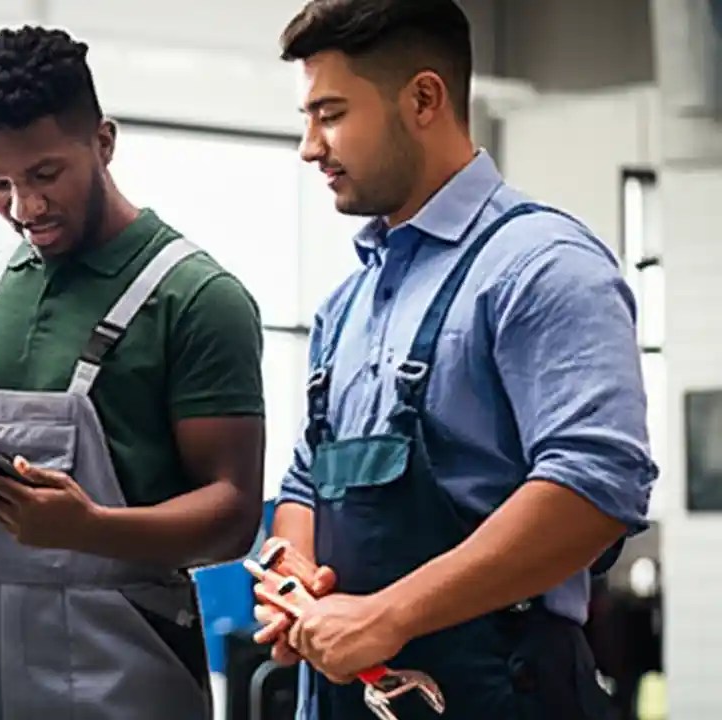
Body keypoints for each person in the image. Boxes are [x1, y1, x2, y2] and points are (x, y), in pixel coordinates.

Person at [251, 1, 659, 718]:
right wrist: (296, 579)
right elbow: (305, 483)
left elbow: (595, 487)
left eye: (331, 113)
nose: (310, 146)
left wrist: (388, 616)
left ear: (424, 99)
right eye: (307, 118)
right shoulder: (346, 305)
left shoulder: (542, 266)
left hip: (502, 690)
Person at [0, 25, 267, 720]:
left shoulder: (197, 299)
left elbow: (234, 514)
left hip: (126, 668)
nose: (24, 208)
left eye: (43, 176)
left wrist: (86, 526)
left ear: (103, 142)